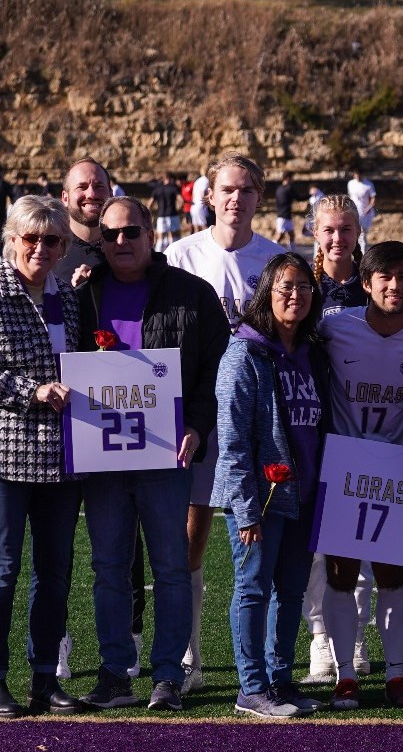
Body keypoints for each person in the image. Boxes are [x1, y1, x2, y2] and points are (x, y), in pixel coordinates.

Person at [73, 197, 228, 712]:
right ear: (99, 240)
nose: (122, 242)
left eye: (131, 232)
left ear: (151, 235)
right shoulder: (80, 294)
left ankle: (168, 675)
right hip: (103, 457)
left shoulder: (192, 294)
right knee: (110, 568)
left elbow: (214, 371)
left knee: (171, 567)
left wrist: (199, 426)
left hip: (167, 454)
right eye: (111, 234)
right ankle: (116, 674)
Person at [0, 196, 84, 718]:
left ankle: (45, 678)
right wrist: (30, 390)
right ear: (10, 240)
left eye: (51, 240)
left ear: (63, 247)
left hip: (57, 456)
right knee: (3, 567)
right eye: (29, 238)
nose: (39, 248)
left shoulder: (68, 300)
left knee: (55, 572)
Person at [162, 154, 285, 694]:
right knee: (192, 533)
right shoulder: (180, 255)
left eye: (247, 190)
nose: (236, 199)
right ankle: (190, 656)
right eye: (227, 189)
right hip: (195, 414)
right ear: (208, 195)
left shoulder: (278, 258)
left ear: (260, 197)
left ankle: (285, 655)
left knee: (262, 533)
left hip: (258, 419)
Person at [315, 242, 403, 712]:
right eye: (385, 277)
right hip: (344, 463)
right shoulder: (334, 328)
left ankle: (395, 676)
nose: (396, 285)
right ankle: (346, 676)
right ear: (365, 283)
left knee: (393, 576)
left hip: (395, 469)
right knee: (342, 574)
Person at [215, 252, 329, 719]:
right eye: (286, 286)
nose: (296, 295)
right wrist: (245, 509)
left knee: (291, 591)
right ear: (267, 292)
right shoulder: (244, 352)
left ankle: (280, 680)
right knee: (254, 589)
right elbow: (232, 439)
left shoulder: (312, 350)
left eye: (304, 286)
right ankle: (252, 687)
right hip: (262, 499)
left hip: (304, 494)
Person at [53, 158, 112, 286]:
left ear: (111, 194)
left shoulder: (126, 248)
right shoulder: (48, 250)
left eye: (99, 186)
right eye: (82, 187)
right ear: (65, 197)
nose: (91, 194)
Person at [310, 194, 367, 316]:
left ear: (358, 230)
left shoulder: (371, 282)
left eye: (345, 229)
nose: (337, 238)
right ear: (316, 233)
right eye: (329, 230)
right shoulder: (304, 282)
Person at [151, 173, 183, 252]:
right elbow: (181, 201)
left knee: (160, 237)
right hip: (172, 214)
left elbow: (149, 204)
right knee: (174, 235)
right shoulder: (173, 188)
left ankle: (158, 254)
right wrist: (179, 210)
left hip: (161, 216)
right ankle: (174, 253)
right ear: (170, 178)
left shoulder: (157, 189)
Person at [345, 168, 377, 240]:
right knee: (353, 232)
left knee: (363, 233)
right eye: (356, 175)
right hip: (354, 211)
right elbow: (349, 196)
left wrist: (368, 208)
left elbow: (373, 199)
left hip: (365, 213)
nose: (357, 177)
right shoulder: (351, 183)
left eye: (359, 175)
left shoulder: (368, 184)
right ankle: (354, 249)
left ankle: (363, 250)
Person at [273, 173, 299, 249]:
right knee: (280, 235)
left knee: (291, 235)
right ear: (287, 178)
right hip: (283, 216)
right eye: (291, 178)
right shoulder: (289, 188)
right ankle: (271, 250)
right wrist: (310, 195)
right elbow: (298, 198)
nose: (293, 180)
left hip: (285, 215)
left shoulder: (279, 189)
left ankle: (293, 253)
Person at [190, 170, 211, 235]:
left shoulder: (197, 180)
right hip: (200, 206)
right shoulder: (205, 180)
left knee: (196, 228)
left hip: (194, 206)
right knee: (204, 227)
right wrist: (207, 203)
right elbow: (202, 193)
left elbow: (193, 195)